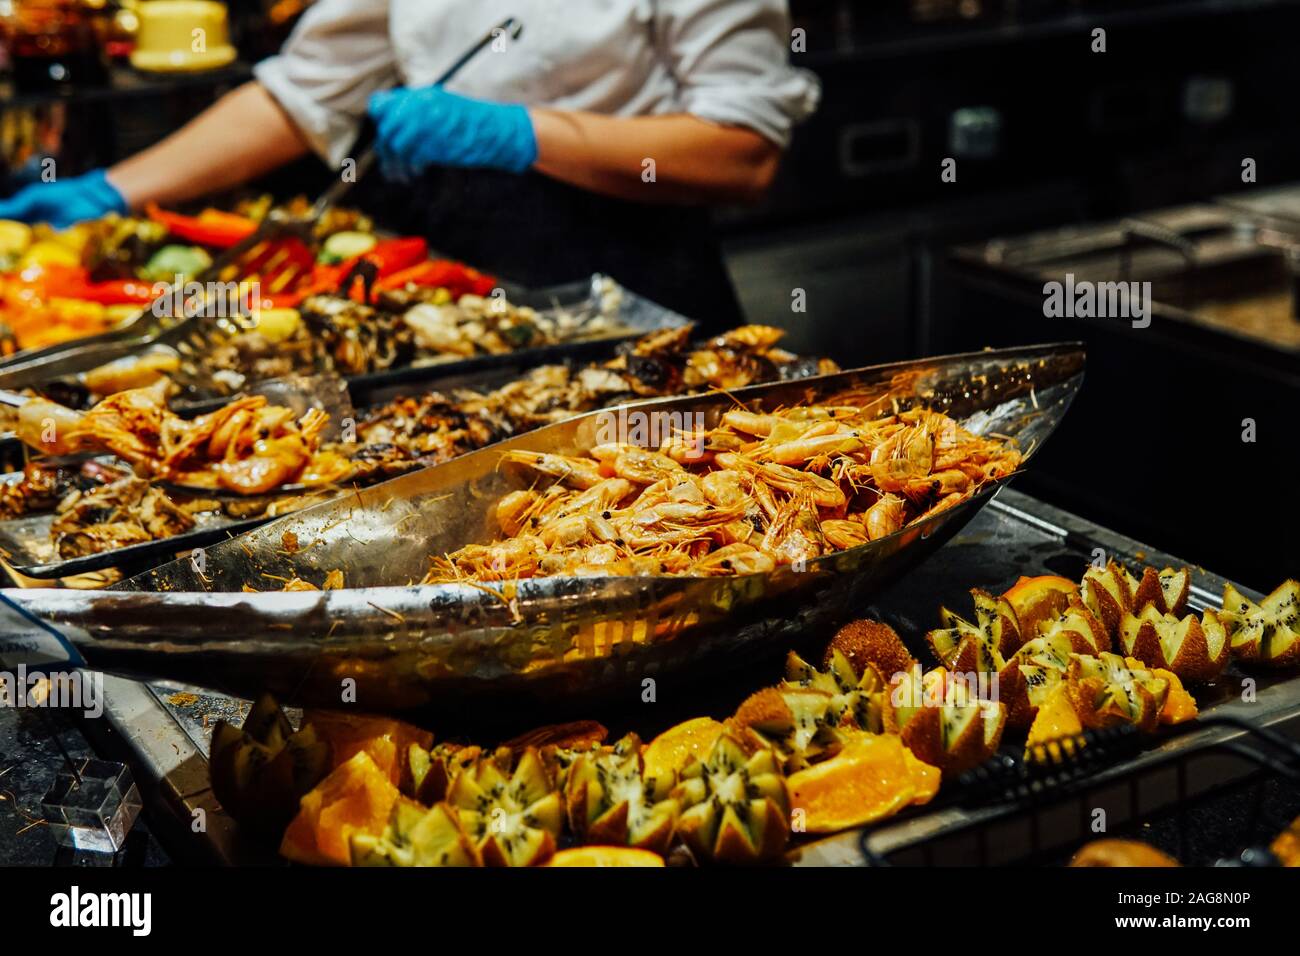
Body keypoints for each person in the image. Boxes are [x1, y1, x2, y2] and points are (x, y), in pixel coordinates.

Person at [0, 1, 818, 328]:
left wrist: (520, 134)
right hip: (452, 272)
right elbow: (306, 93)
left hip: (632, 268)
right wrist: (114, 190)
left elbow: (744, 153)